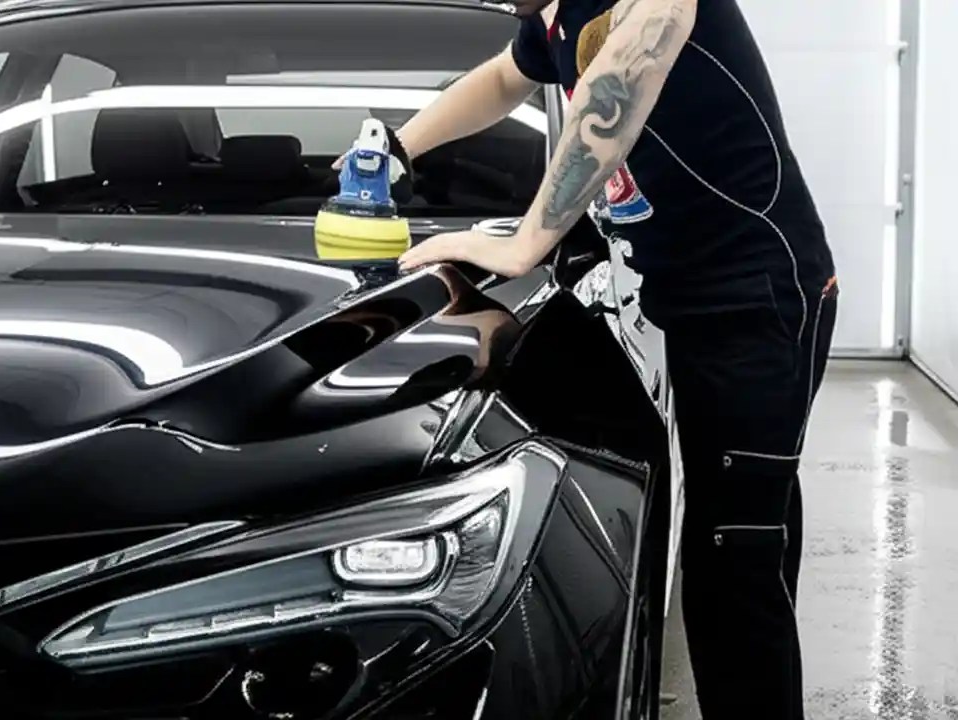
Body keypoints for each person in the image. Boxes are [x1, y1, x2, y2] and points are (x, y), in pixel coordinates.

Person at [345, 0, 839, 717]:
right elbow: (500, 80)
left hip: (758, 300)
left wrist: (521, 245)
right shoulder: (555, 18)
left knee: (731, 566)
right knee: (748, 537)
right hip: (700, 303)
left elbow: (612, 92)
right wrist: (399, 146)